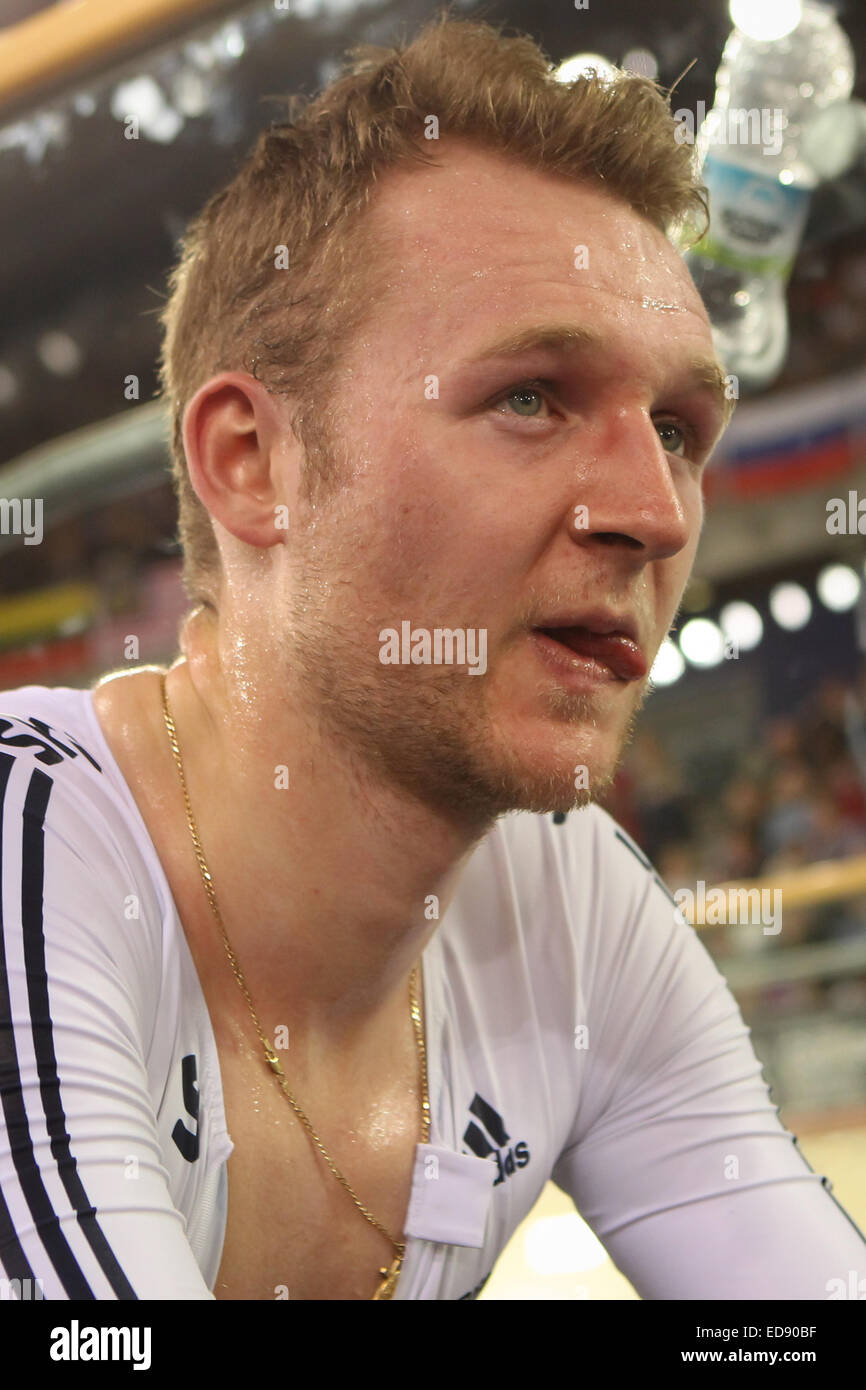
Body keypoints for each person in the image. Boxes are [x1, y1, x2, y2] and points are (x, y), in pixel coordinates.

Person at [1, 11, 864, 1302]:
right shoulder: (32, 851)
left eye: (678, 425)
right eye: (529, 397)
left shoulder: (571, 904)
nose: (658, 509)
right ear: (253, 463)